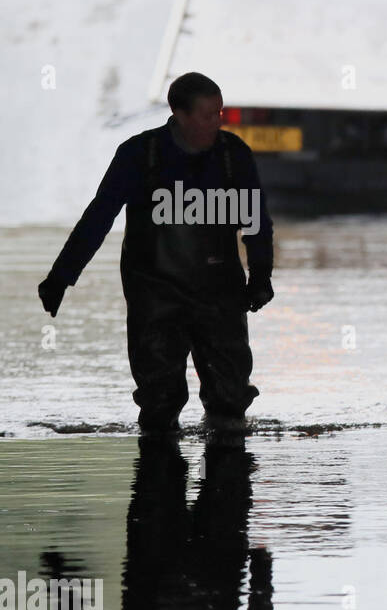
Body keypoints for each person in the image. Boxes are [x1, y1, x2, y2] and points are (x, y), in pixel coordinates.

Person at [38, 72, 274, 436]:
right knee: (159, 404)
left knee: (230, 403)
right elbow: (99, 217)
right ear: (178, 114)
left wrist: (260, 275)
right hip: (155, 295)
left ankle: (227, 480)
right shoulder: (139, 155)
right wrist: (61, 277)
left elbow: (255, 220)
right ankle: (158, 478)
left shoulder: (233, 156)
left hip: (219, 293)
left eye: (220, 112)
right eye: (208, 114)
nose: (218, 122)